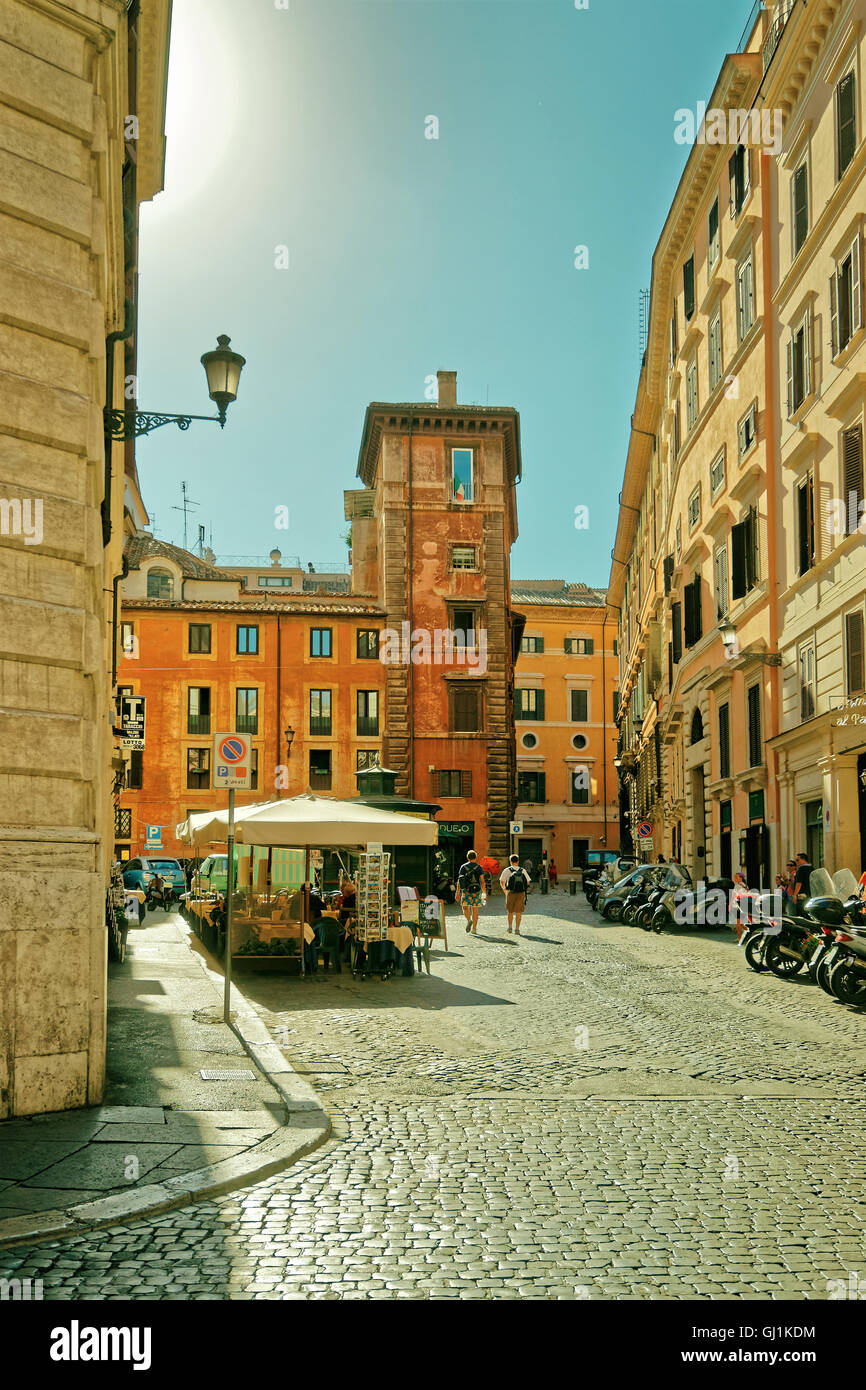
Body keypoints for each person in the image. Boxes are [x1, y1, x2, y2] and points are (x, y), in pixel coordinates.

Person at [456, 850, 485, 934]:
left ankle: (469, 920)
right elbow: (482, 881)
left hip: (466, 891)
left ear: (467, 857)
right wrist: (484, 893)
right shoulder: (479, 867)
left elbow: (460, 880)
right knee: (475, 909)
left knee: (465, 907)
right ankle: (474, 929)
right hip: (477, 890)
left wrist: (457, 892)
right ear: (476, 857)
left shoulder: (463, 867)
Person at [499, 855, 529, 934]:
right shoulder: (523, 870)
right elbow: (528, 881)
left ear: (510, 861)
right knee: (519, 911)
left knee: (510, 911)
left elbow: (502, 881)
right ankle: (517, 929)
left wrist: (505, 890)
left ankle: (510, 927)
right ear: (518, 861)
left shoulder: (507, 870)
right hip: (520, 893)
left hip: (510, 893)